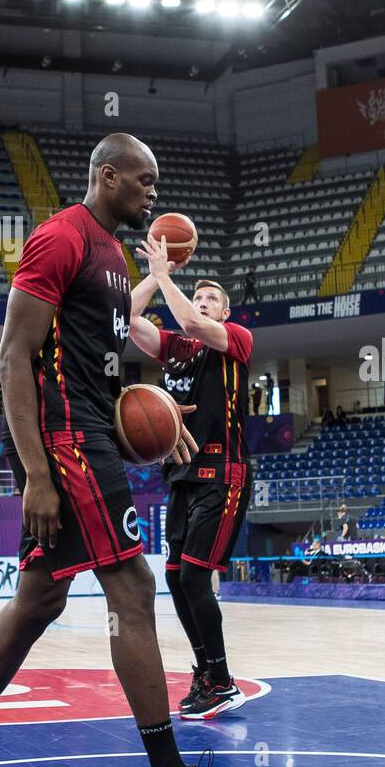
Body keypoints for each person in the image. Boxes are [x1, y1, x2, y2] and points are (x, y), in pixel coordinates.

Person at [0, 133, 258, 767]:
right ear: (106, 175)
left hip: (88, 435)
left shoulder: (116, 254)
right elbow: (12, 356)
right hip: (66, 445)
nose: (153, 193)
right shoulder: (59, 238)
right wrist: (36, 473)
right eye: (143, 180)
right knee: (132, 588)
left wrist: (155, 412)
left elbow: (96, 365)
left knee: (39, 599)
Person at [131, 239, 254, 723]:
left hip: (224, 474)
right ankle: (206, 672)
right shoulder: (176, 348)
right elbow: (126, 318)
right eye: (198, 296)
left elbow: (192, 322)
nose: (202, 304)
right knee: (176, 576)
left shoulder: (235, 338)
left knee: (198, 575)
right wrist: (154, 273)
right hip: (181, 475)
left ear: (225, 312)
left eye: (211, 300)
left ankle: (222, 679)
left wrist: (166, 276)